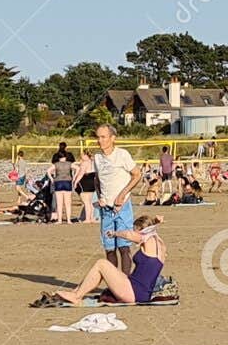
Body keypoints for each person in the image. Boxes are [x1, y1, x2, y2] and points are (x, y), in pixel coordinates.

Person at [56, 215, 167, 305]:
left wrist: (115, 233)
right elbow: (149, 231)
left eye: (135, 230)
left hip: (134, 292)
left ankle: (76, 296)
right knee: (107, 269)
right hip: (142, 292)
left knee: (101, 264)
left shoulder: (146, 239)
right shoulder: (160, 245)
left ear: (141, 230)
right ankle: (75, 292)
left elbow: (130, 235)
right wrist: (155, 222)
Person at [93, 124, 142, 266]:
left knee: (124, 247)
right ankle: (112, 277)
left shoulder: (122, 154)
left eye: (103, 137)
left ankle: (125, 278)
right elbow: (97, 180)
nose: (100, 141)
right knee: (109, 249)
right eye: (98, 137)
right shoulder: (97, 158)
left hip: (122, 207)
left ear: (112, 138)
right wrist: (100, 196)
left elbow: (137, 175)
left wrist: (123, 194)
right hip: (106, 209)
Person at [49, 141, 77, 224]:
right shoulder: (70, 156)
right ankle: (69, 220)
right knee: (68, 202)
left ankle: (59, 220)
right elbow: (76, 167)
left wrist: (52, 179)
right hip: (68, 179)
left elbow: (50, 170)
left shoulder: (55, 157)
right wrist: (74, 178)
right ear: (66, 147)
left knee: (59, 202)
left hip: (58, 180)